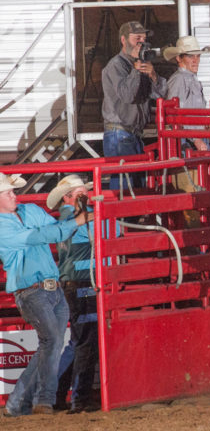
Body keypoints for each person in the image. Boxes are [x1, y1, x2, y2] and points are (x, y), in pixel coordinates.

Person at [0, 173, 91, 417]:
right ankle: (44, 400)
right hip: (30, 291)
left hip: (52, 288)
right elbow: (43, 235)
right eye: (8, 193)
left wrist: (71, 220)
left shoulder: (28, 210)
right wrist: (76, 221)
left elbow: (54, 230)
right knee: (51, 341)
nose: (14, 195)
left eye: (12, 191)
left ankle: (17, 403)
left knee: (49, 345)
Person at [47, 175, 114, 414]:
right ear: (68, 197)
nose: (86, 197)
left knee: (78, 340)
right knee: (86, 340)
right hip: (84, 284)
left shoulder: (65, 219)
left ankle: (54, 395)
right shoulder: (82, 220)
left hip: (74, 284)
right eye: (81, 194)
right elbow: (111, 231)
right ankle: (80, 399)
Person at [101, 21, 168, 189]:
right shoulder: (116, 65)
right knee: (125, 187)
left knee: (137, 187)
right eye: (137, 39)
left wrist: (153, 75)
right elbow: (128, 95)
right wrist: (136, 71)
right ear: (123, 40)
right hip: (119, 134)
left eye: (144, 39)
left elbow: (161, 94)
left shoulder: (139, 64)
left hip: (133, 134)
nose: (141, 43)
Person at [163, 35, 210, 152]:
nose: (196, 60)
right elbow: (176, 113)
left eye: (198, 56)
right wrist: (195, 139)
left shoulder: (190, 78)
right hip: (188, 141)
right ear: (179, 58)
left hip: (196, 137)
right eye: (190, 56)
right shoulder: (179, 79)